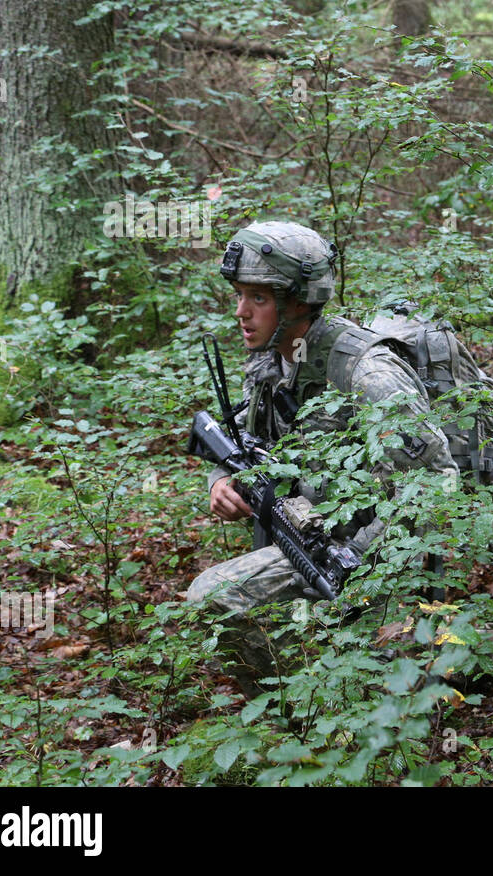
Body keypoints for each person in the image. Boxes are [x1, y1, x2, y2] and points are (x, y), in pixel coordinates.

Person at [186, 220, 459, 695]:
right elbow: (249, 443)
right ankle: (290, 710)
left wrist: (357, 560)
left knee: (400, 684)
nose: (241, 313)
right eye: (239, 295)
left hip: (379, 554)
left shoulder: (364, 371)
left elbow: (436, 484)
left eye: (259, 298)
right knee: (213, 597)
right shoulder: (275, 358)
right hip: (314, 540)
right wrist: (219, 481)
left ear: (298, 301)